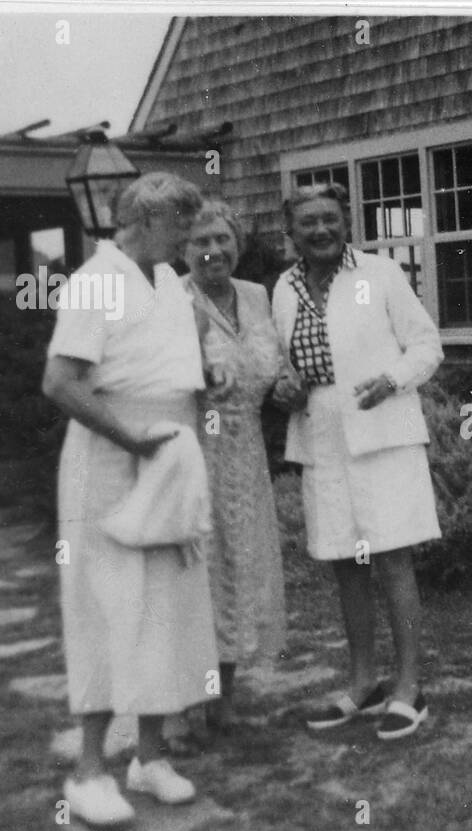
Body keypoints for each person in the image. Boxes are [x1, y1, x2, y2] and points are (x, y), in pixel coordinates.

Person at [42, 172, 218, 827]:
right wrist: (132, 438)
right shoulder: (95, 282)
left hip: (169, 458)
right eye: (180, 225)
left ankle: (149, 757)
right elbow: (61, 384)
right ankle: (89, 770)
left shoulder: (171, 281)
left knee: (168, 609)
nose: (190, 237)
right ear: (142, 222)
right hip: (110, 459)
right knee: (104, 607)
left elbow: (177, 371)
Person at [272, 183, 443, 740]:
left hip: (382, 429)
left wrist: (392, 380)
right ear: (291, 231)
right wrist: (286, 387)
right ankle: (364, 681)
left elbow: (427, 346)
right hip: (321, 434)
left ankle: (409, 686)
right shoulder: (285, 287)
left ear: (346, 220)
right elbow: (284, 363)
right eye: (307, 223)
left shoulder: (379, 274)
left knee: (392, 558)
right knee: (346, 561)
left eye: (329, 219)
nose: (319, 230)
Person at [174, 198, 289, 743]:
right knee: (197, 575)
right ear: (183, 249)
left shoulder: (257, 296)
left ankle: (223, 700)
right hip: (194, 450)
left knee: (240, 570)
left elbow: (274, 366)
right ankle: (183, 709)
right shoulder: (172, 300)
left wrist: (288, 386)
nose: (213, 251)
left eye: (223, 240)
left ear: (238, 246)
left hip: (247, 456)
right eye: (201, 242)